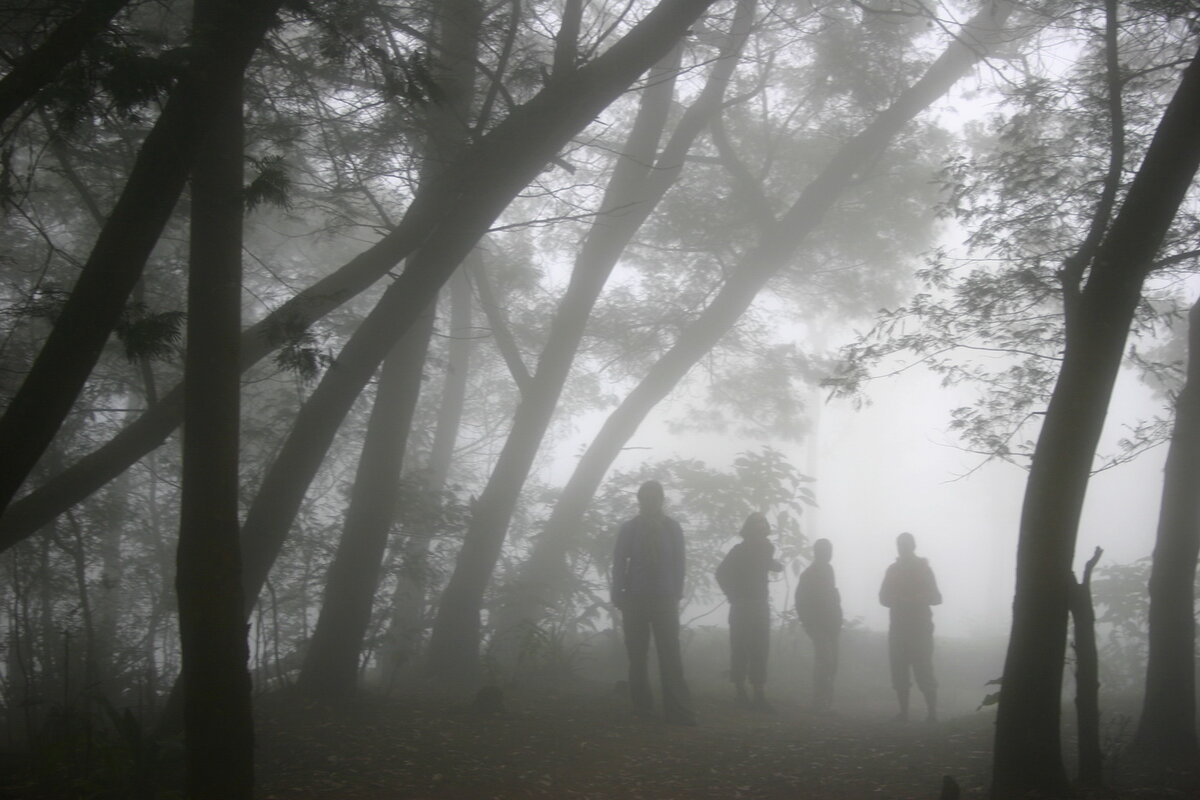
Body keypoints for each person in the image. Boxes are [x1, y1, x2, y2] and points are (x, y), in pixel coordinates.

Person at [610, 480, 696, 724]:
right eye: (645, 497)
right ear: (640, 500)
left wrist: (677, 591)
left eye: (655, 496)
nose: (650, 501)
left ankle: (678, 710)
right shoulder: (630, 529)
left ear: (661, 499)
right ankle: (642, 708)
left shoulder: (672, 528)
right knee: (637, 656)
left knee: (670, 655)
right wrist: (618, 593)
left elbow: (680, 562)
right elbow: (619, 562)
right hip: (635, 599)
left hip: (665, 599)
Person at [715, 512, 783, 711]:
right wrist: (733, 596)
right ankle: (741, 692)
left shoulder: (767, 549)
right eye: (757, 526)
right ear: (749, 530)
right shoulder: (739, 551)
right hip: (743, 605)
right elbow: (721, 573)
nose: (761, 530)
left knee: (760, 649)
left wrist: (773, 565)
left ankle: (758, 693)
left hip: (759, 604)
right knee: (740, 648)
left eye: (763, 526)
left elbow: (761, 564)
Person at [879, 531, 942, 722]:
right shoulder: (893, 570)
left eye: (905, 545)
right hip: (899, 627)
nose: (902, 548)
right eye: (900, 545)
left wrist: (917, 599)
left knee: (923, 669)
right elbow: (883, 597)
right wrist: (897, 600)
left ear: (912, 546)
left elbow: (937, 597)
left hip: (920, 628)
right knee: (899, 670)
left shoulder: (923, 569)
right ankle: (904, 713)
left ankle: (931, 713)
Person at [795, 537, 842, 712]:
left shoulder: (829, 571)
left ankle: (825, 701)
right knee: (825, 661)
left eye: (830, 551)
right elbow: (801, 602)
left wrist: (837, 618)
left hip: (831, 625)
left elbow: (832, 597)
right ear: (817, 553)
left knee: (831, 663)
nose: (828, 555)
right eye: (825, 551)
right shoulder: (808, 575)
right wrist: (810, 625)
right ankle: (819, 702)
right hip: (818, 626)